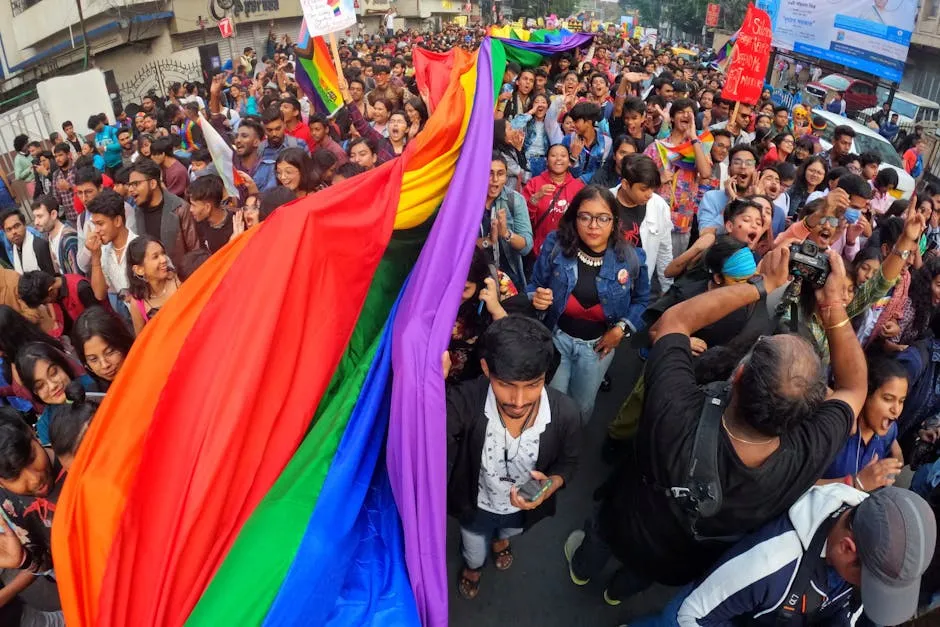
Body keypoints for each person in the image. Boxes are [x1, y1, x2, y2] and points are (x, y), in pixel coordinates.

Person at [565, 244, 868, 604]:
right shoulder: (807, 452)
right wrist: (833, 305)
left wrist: (761, 284)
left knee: (598, 543)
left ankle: (582, 569)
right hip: (679, 560)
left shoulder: (676, 407)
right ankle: (616, 593)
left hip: (626, 521)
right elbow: (854, 386)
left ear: (738, 374)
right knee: (639, 577)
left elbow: (673, 323)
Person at [634, 485, 935, 627]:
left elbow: (850, 608)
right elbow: (690, 615)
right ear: (847, 548)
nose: (868, 593)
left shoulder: (868, 518)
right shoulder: (770, 562)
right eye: (869, 585)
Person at [446, 315, 581, 600]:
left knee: (507, 532)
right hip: (475, 506)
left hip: (521, 513)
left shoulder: (565, 413)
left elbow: (568, 464)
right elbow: (428, 431)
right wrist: (432, 385)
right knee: (473, 548)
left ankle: (501, 542)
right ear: (485, 369)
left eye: (533, 385)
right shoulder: (465, 401)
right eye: (506, 385)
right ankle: (473, 567)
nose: (519, 401)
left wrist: (550, 485)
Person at [527, 185, 649, 421]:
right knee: (551, 405)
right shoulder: (556, 246)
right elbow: (533, 286)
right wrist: (537, 298)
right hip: (556, 339)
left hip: (597, 349)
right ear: (574, 219)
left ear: (614, 221)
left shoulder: (631, 257)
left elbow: (643, 300)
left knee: (582, 408)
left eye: (603, 218)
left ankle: (571, 449)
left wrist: (621, 328)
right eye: (585, 217)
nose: (594, 226)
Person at [646, 98, 711, 255]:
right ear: (672, 118)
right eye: (681, 112)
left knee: (670, 271)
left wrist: (694, 137)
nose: (686, 116)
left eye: (690, 113)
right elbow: (641, 177)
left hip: (681, 222)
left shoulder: (697, 148)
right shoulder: (657, 146)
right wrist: (658, 179)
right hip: (655, 219)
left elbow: (706, 173)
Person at [611, 154, 672, 293]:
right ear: (626, 184)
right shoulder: (605, 203)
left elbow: (664, 249)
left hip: (639, 285)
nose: (649, 194)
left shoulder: (659, 206)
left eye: (653, 188)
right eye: (644, 189)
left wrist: (666, 288)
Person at [15, 342, 96, 446]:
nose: (52, 386)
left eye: (53, 373)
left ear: (62, 366)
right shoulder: (45, 425)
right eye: (40, 386)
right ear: (34, 392)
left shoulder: (93, 384)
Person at [127, 159, 198, 270]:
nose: (131, 189)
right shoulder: (137, 213)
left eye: (135, 184)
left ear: (153, 183)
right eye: (129, 185)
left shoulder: (180, 209)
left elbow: (195, 251)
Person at [521, 144, 584, 257]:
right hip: (538, 252)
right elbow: (523, 219)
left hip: (568, 251)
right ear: (546, 160)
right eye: (553, 155)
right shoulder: (534, 183)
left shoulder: (578, 187)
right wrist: (536, 198)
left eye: (563, 155)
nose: (558, 159)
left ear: (569, 161)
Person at [85, 189, 137, 308]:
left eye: (100, 224)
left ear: (118, 221)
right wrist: (95, 257)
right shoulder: (104, 251)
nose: (96, 230)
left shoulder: (141, 247)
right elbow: (99, 294)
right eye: (95, 225)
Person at [125, 235, 180, 335]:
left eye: (163, 253)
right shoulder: (138, 303)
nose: (164, 259)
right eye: (155, 257)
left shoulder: (179, 281)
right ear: (139, 270)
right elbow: (142, 340)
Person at [71, 305, 134, 389]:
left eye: (110, 352)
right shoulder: (98, 396)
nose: (104, 365)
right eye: (93, 359)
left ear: (123, 343)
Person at [562, 102, 612, 184]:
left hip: (596, 190)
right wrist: (573, 157)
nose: (573, 125)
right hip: (570, 188)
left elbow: (606, 172)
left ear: (588, 122)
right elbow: (562, 170)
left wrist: (583, 179)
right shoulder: (568, 139)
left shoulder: (607, 143)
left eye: (576, 121)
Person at [31, 196, 78, 276]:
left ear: (53, 214)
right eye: (35, 217)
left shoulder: (69, 240)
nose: (36, 222)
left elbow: (78, 278)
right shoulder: (49, 236)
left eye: (40, 216)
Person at [188, 174, 233, 254]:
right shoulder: (198, 223)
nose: (191, 209)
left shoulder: (237, 224)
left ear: (207, 207)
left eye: (194, 205)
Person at [0, 211, 54, 276]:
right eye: (9, 229)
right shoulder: (15, 248)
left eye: (16, 226)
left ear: (24, 224)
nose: (14, 232)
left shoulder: (39, 246)